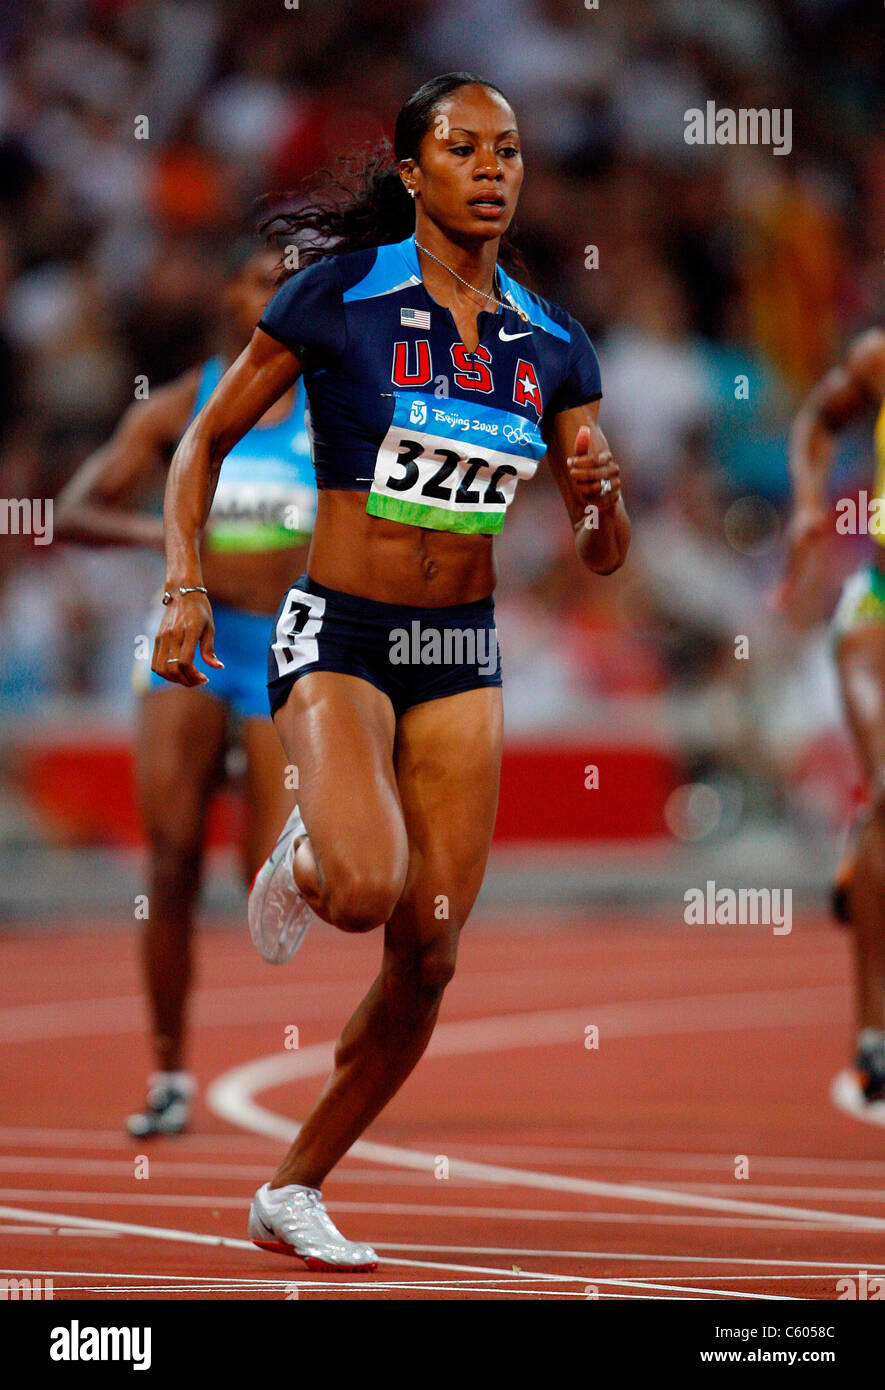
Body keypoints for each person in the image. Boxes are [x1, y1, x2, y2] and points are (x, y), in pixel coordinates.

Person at [152, 73, 629, 1271]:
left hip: (461, 655)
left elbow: (600, 552)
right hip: (344, 633)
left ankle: (291, 1186)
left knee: (428, 953)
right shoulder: (339, 299)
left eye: (509, 151)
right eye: (464, 148)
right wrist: (184, 582)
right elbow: (202, 444)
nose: (492, 169)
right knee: (364, 890)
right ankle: (310, 849)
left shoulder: (554, 343)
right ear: (414, 171)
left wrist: (605, 511)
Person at [55, 242, 316, 1136]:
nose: (277, 294)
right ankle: (168, 1075)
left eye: (293, 284)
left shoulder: (338, 407)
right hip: (189, 647)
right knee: (169, 864)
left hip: (281, 650)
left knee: (264, 884)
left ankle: (250, 772)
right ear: (229, 295)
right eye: (261, 281)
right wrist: (173, 540)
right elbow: (72, 510)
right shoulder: (185, 403)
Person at [780, 325, 885, 1104]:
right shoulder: (876, 358)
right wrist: (810, 504)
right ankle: (874, 1040)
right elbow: (818, 418)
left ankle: (865, 846)